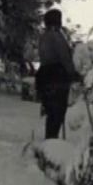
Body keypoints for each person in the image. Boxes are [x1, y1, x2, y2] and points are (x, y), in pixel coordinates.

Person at [36, 9, 81, 139]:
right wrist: (72, 73)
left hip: (45, 75)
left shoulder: (44, 36)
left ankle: (49, 139)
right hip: (57, 76)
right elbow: (64, 56)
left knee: (51, 111)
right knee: (57, 111)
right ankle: (52, 142)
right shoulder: (56, 36)